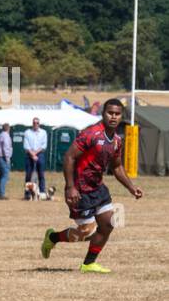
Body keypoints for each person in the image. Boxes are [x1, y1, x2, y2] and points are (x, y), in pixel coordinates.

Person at [41, 98, 143, 273]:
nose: (113, 117)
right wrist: (70, 187)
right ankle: (52, 237)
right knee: (86, 232)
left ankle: (88, 264)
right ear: (103, 114)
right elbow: (69, 157)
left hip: (98, 189)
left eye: (117, 114)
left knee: (108, 224)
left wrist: (131, 187)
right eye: (110, 113)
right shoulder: (91, 133)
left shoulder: (117, 141)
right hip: (80, 190)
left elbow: (117, 167)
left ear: (121, 117)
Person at [23, 117, 48, 200]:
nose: (35, 124)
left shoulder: (43, 132)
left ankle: (42, 193)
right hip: (29, 154)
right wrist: (32, 154)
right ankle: (27, 194)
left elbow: (43, 145)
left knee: (41, 174)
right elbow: (26, 145)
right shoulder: (27, 132)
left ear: (39, 124)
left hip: (39, 154)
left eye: (37, 123)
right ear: (32, 123)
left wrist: (36, 153)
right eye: (34, 123)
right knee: (28, 175)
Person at [0, 124, 12, 199]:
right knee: (5, 176)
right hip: (3, 157)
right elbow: (6, 147)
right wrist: (7, 158)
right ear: (8, 128)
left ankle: (0, 193)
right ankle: (2, 194)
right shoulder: (6, 136)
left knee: (1, 175)